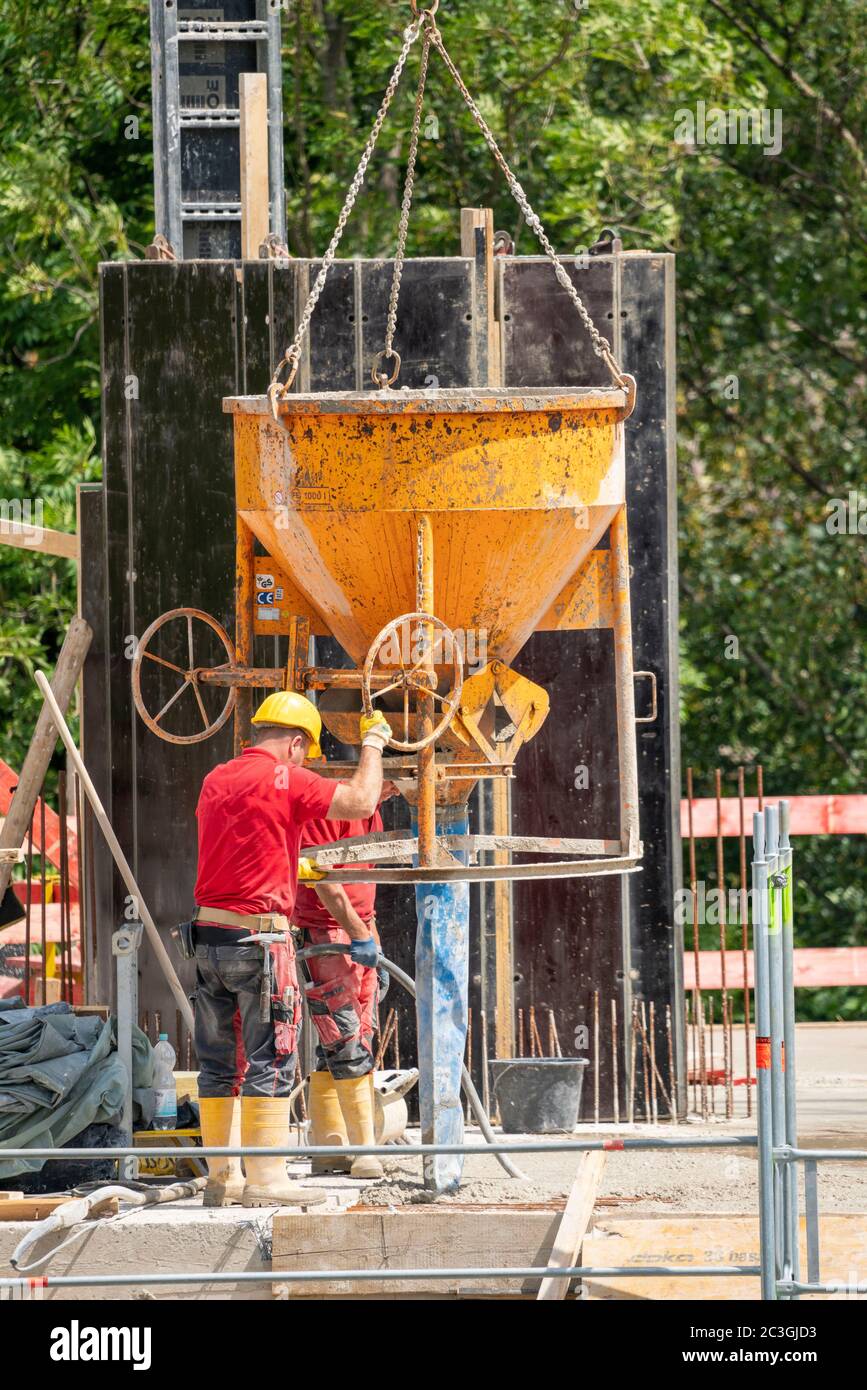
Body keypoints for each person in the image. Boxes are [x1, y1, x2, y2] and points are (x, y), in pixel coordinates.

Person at [192, 691, 391, 1208]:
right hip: (260, 937)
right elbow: (360, 802)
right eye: (307, 750)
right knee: (272, 1054)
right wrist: (373, 740)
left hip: (208, 937)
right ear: (297, 743)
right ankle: (267, 1180)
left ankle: (223, 1179)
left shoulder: (216, 778)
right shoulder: (286, 777)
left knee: (220, 1063)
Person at [293, 784, 397, 1180]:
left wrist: (373, 938)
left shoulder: (370, 808)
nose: (390, 793)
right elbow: (326, 884)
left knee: (341, 1045)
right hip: (327, 937)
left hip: (356, 936)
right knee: (346, 1041)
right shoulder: (324, 807)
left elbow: (361, 887)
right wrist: (358, 935)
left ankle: (330, 1146)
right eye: (388, 783)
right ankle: (362, 1151)